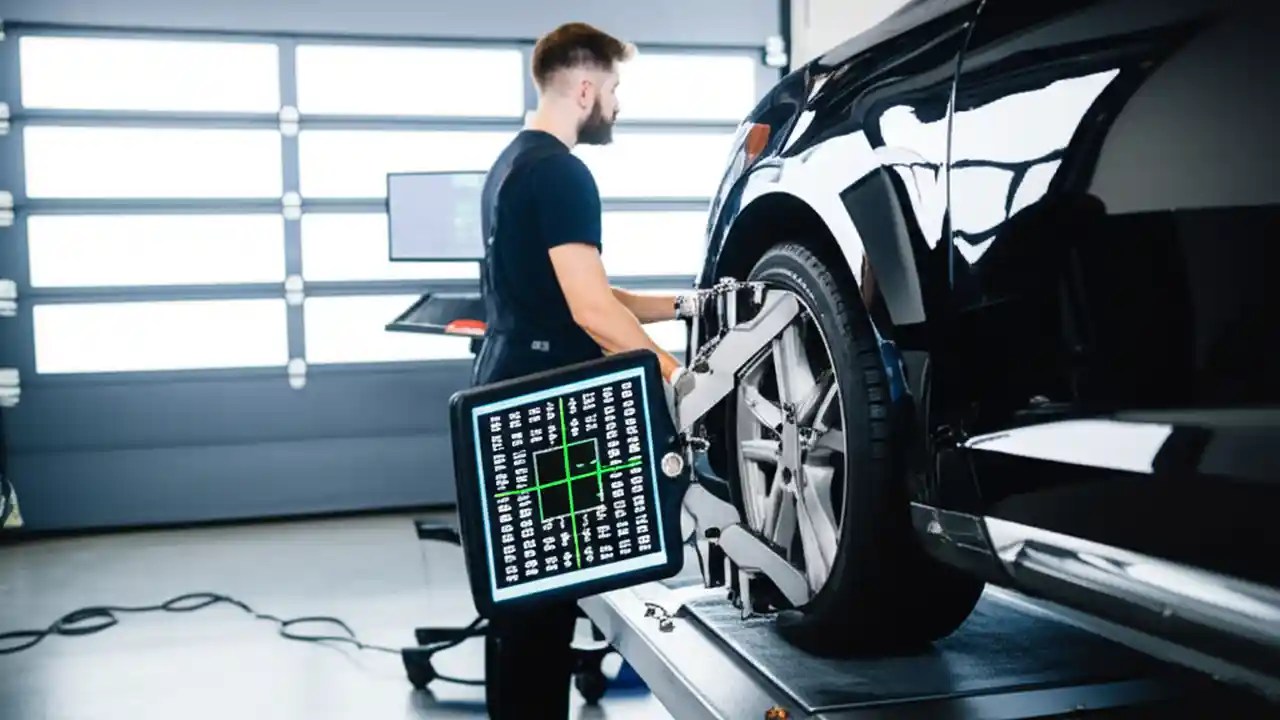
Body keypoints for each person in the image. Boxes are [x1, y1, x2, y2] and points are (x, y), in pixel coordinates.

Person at [474, 20, 702, 719]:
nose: (617, 104)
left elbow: (590, 291)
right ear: (583, 88)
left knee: (524, 607)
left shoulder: (513, 164)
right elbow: (591, 311)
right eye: (613, 88)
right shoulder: (564, 173)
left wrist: (686, 305)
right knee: (542, 612)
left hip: (508, 391)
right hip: (546, 412)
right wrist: (676, 377)